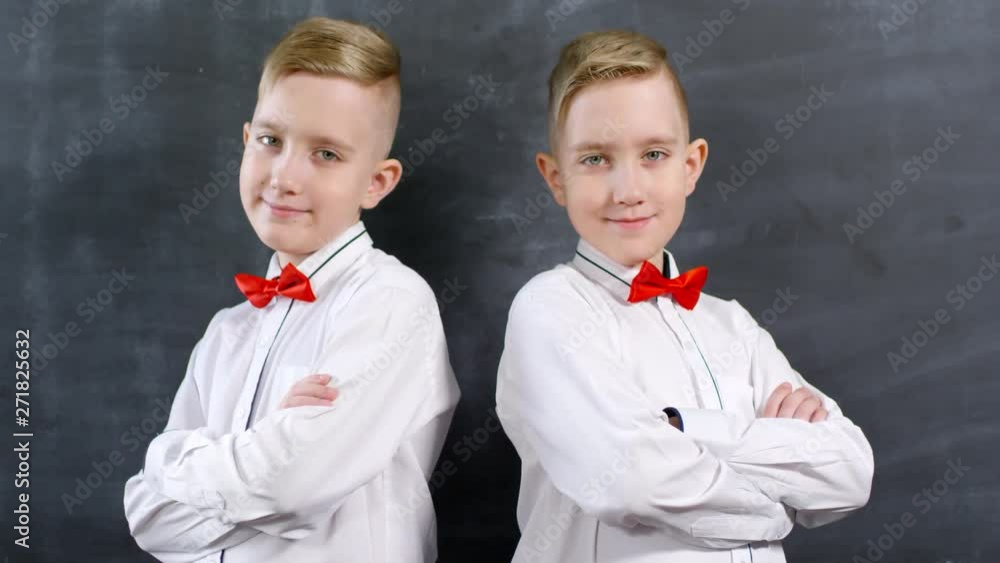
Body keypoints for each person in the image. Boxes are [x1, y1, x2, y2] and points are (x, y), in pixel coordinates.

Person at [495, 29, 874, 563]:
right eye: (595, 159)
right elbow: (632, 479)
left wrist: (693, 432)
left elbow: (849, 471)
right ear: (556, 178)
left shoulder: (732, 325)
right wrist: (774, 509)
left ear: (690, 165)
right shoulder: (550, 309)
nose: (628, 190)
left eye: (653, 153)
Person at [124, 17, 460, 563]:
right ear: (245, 139)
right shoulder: (227, 332)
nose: (283, 177)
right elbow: (147, 516)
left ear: (377, 181)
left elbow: (290, 487)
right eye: (270, 140)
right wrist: (265, 452)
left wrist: (177, 462)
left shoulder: (391, 302)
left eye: (325, 153)